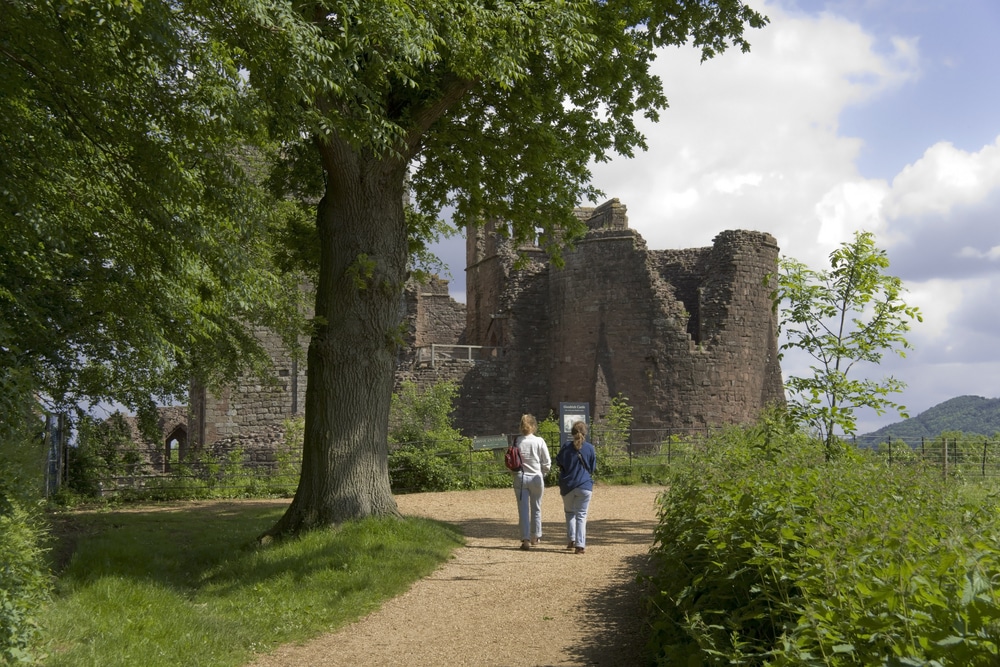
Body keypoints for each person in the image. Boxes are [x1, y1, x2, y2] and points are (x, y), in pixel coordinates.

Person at [512, 413, 551, 550]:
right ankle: (536, 536)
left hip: (521, 477)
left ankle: (525, 539)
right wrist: (542, 473)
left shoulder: (517, 441)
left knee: (523, 510)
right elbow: (547, 463)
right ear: (533, 426)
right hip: (536, 477)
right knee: (536, 508)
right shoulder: (539, 441)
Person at [557, 420, 596, 554]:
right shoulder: (590, 448)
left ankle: (571, 539)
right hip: (584, 485)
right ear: (585, 433)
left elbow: (559, 463)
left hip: (568, 485)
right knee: (581, 515)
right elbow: (592, 468)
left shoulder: (565, 447)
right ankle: (580, 545)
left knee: (569, 513)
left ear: (572, 433)